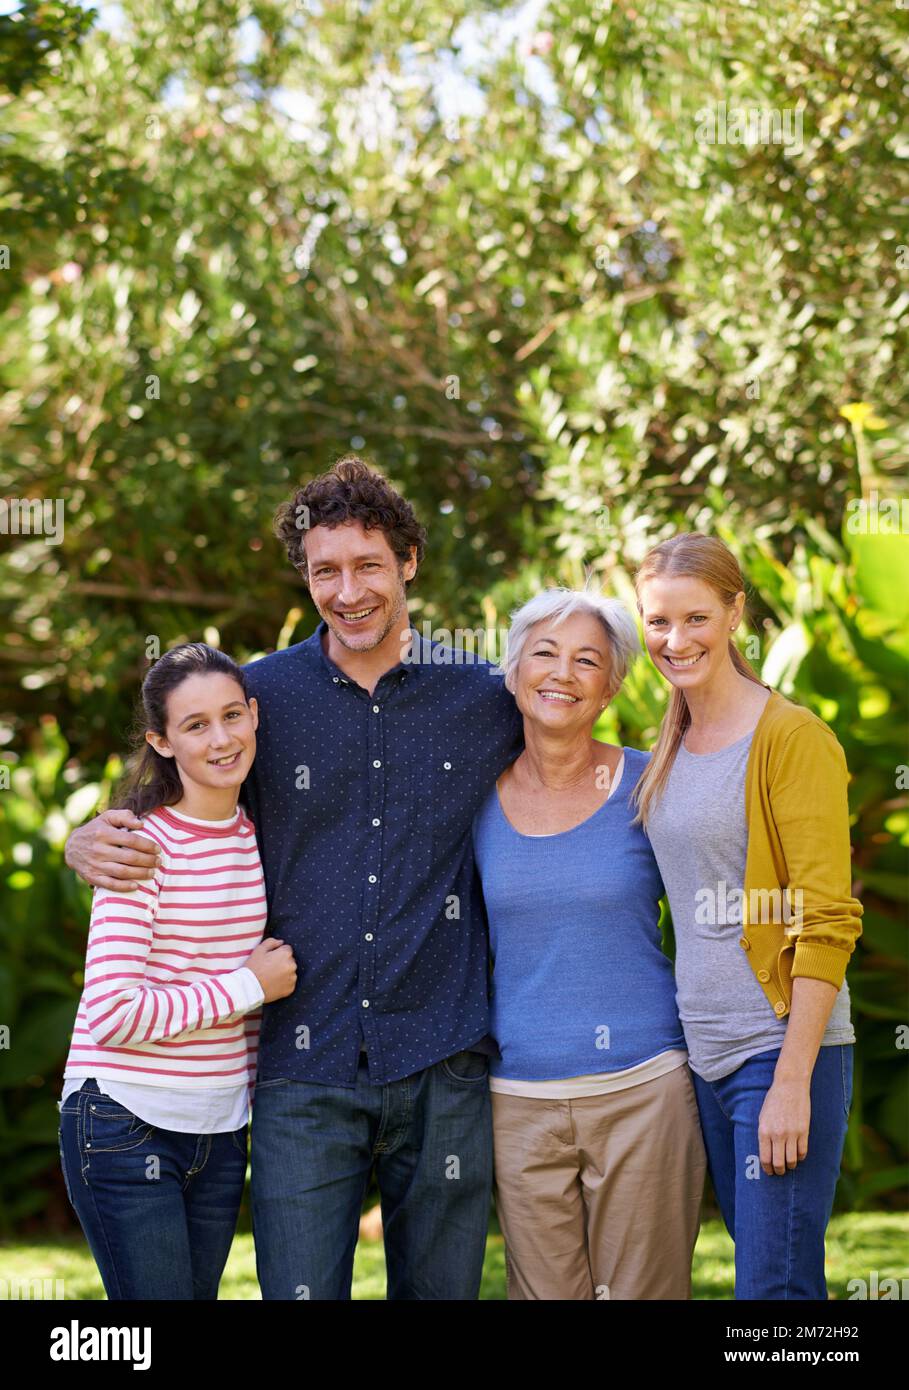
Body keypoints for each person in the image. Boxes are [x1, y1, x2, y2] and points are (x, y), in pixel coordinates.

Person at [64, 456, 524, 1301]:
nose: (347, 591)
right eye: (324, 571)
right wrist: (83, 839)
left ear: (409, 561)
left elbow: (585, 758)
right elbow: (174, 787)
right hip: (300, 1070)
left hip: (442, 1058)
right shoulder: (259, 697)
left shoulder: (484, 696)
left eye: (368, 565)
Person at [634, 533, 861, 1300]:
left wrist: (792, 1079)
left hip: (779, 1046)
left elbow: (826, 918)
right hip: (707, 1053)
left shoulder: (790, 739)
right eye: (657, 622)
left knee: (770, 1293)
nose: (675, 640)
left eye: (695, 618)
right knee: (780, 1278)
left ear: (734, 612)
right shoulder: (672, 739)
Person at [472, 587, 706, 1300]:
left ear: (609, 687)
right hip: (518, 1097)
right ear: (512, 673)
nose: (561, 673)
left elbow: (711, 919)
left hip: (644, 1090)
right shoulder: (472, 799)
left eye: (586, 661)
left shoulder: (651, 785)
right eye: (542, 653)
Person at [58, 643, 297, 1299]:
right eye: (195, 726)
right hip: (124, 1121)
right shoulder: (137, 848)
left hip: (218, 1133)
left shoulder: (262, 836)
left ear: (253, 714)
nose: (220, 740)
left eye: (231, 716)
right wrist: (247, 987)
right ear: (161, 742)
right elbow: (112, 1014)